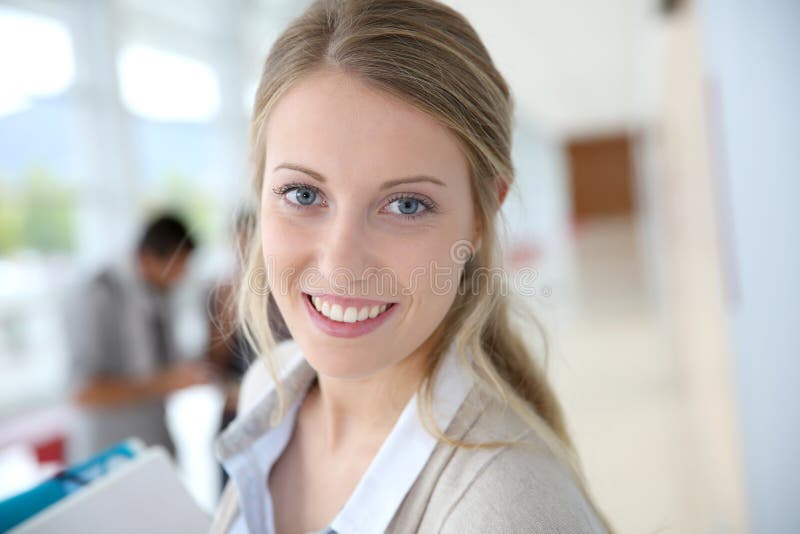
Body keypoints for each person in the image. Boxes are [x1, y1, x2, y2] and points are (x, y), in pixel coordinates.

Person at [211, 0, 613, 532]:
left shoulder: (501, 511)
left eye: (406, 205)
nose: (341, 263)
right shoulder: (269, 388)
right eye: (302, 193)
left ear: (481, 215)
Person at [68, 213, 212, 459]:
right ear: (147, 257)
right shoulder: (98, 295)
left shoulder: (159, 294)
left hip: (154, 442)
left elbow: (163, 363)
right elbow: (83, 393)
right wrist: (165, 382)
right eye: (177, 266)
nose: (181, 275)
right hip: (108, 454)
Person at [205, 208, 292, 487]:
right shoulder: (220, 293)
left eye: (250, 249)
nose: (244, 259)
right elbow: (213, 365)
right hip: (236, 412)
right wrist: (226, 316)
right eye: (238, 249)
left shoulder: (288, 291)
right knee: (231, 493)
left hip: (281, 411)